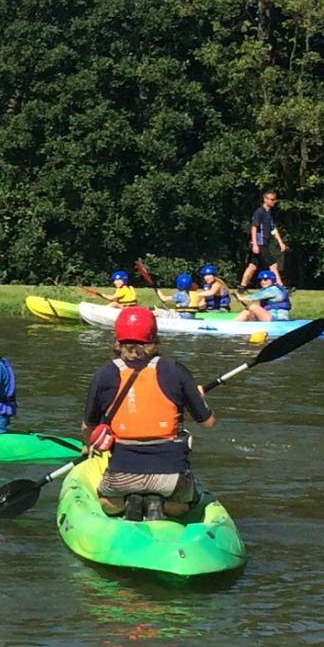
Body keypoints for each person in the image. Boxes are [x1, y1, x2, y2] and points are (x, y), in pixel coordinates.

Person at [82, 306, 214, 520]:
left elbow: (88, 426)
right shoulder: (176, 370)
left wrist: (88, 447)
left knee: (108, 503)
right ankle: (159, 505)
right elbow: (207, 422)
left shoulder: (104, 374)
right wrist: (199, 397)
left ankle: (129, 501)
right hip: (171, 477)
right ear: (153, 336)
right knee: (181, 506)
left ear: (118, 338)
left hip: (123, 475)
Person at [239, 190, 287, 289]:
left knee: (253, 266)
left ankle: (242, 287)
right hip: (260, 243)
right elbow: (254, 228)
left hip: (264, 243)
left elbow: (273, 229)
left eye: (275, 199)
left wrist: (281, 243)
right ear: (265, 199)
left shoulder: (269, 213)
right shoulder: (259, 212)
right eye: (272, 199)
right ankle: (281, 286)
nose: (274, 201)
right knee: (273, 265)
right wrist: (255, 245)